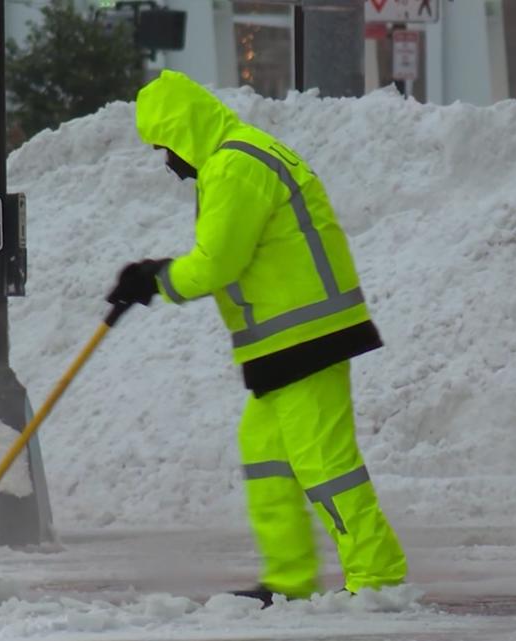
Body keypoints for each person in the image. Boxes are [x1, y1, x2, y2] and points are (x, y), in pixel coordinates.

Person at [107, 70, 408, 607]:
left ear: (184, 131)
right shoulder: (236, 158)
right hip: (285, 339)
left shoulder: (235, 166)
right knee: (266, 451)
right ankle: (289, 579)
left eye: (166, 147)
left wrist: (157, 279)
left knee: (325, 461)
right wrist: (155, 275)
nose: (168, 163)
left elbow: (217, 264)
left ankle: (378, 576)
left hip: (306, 334)